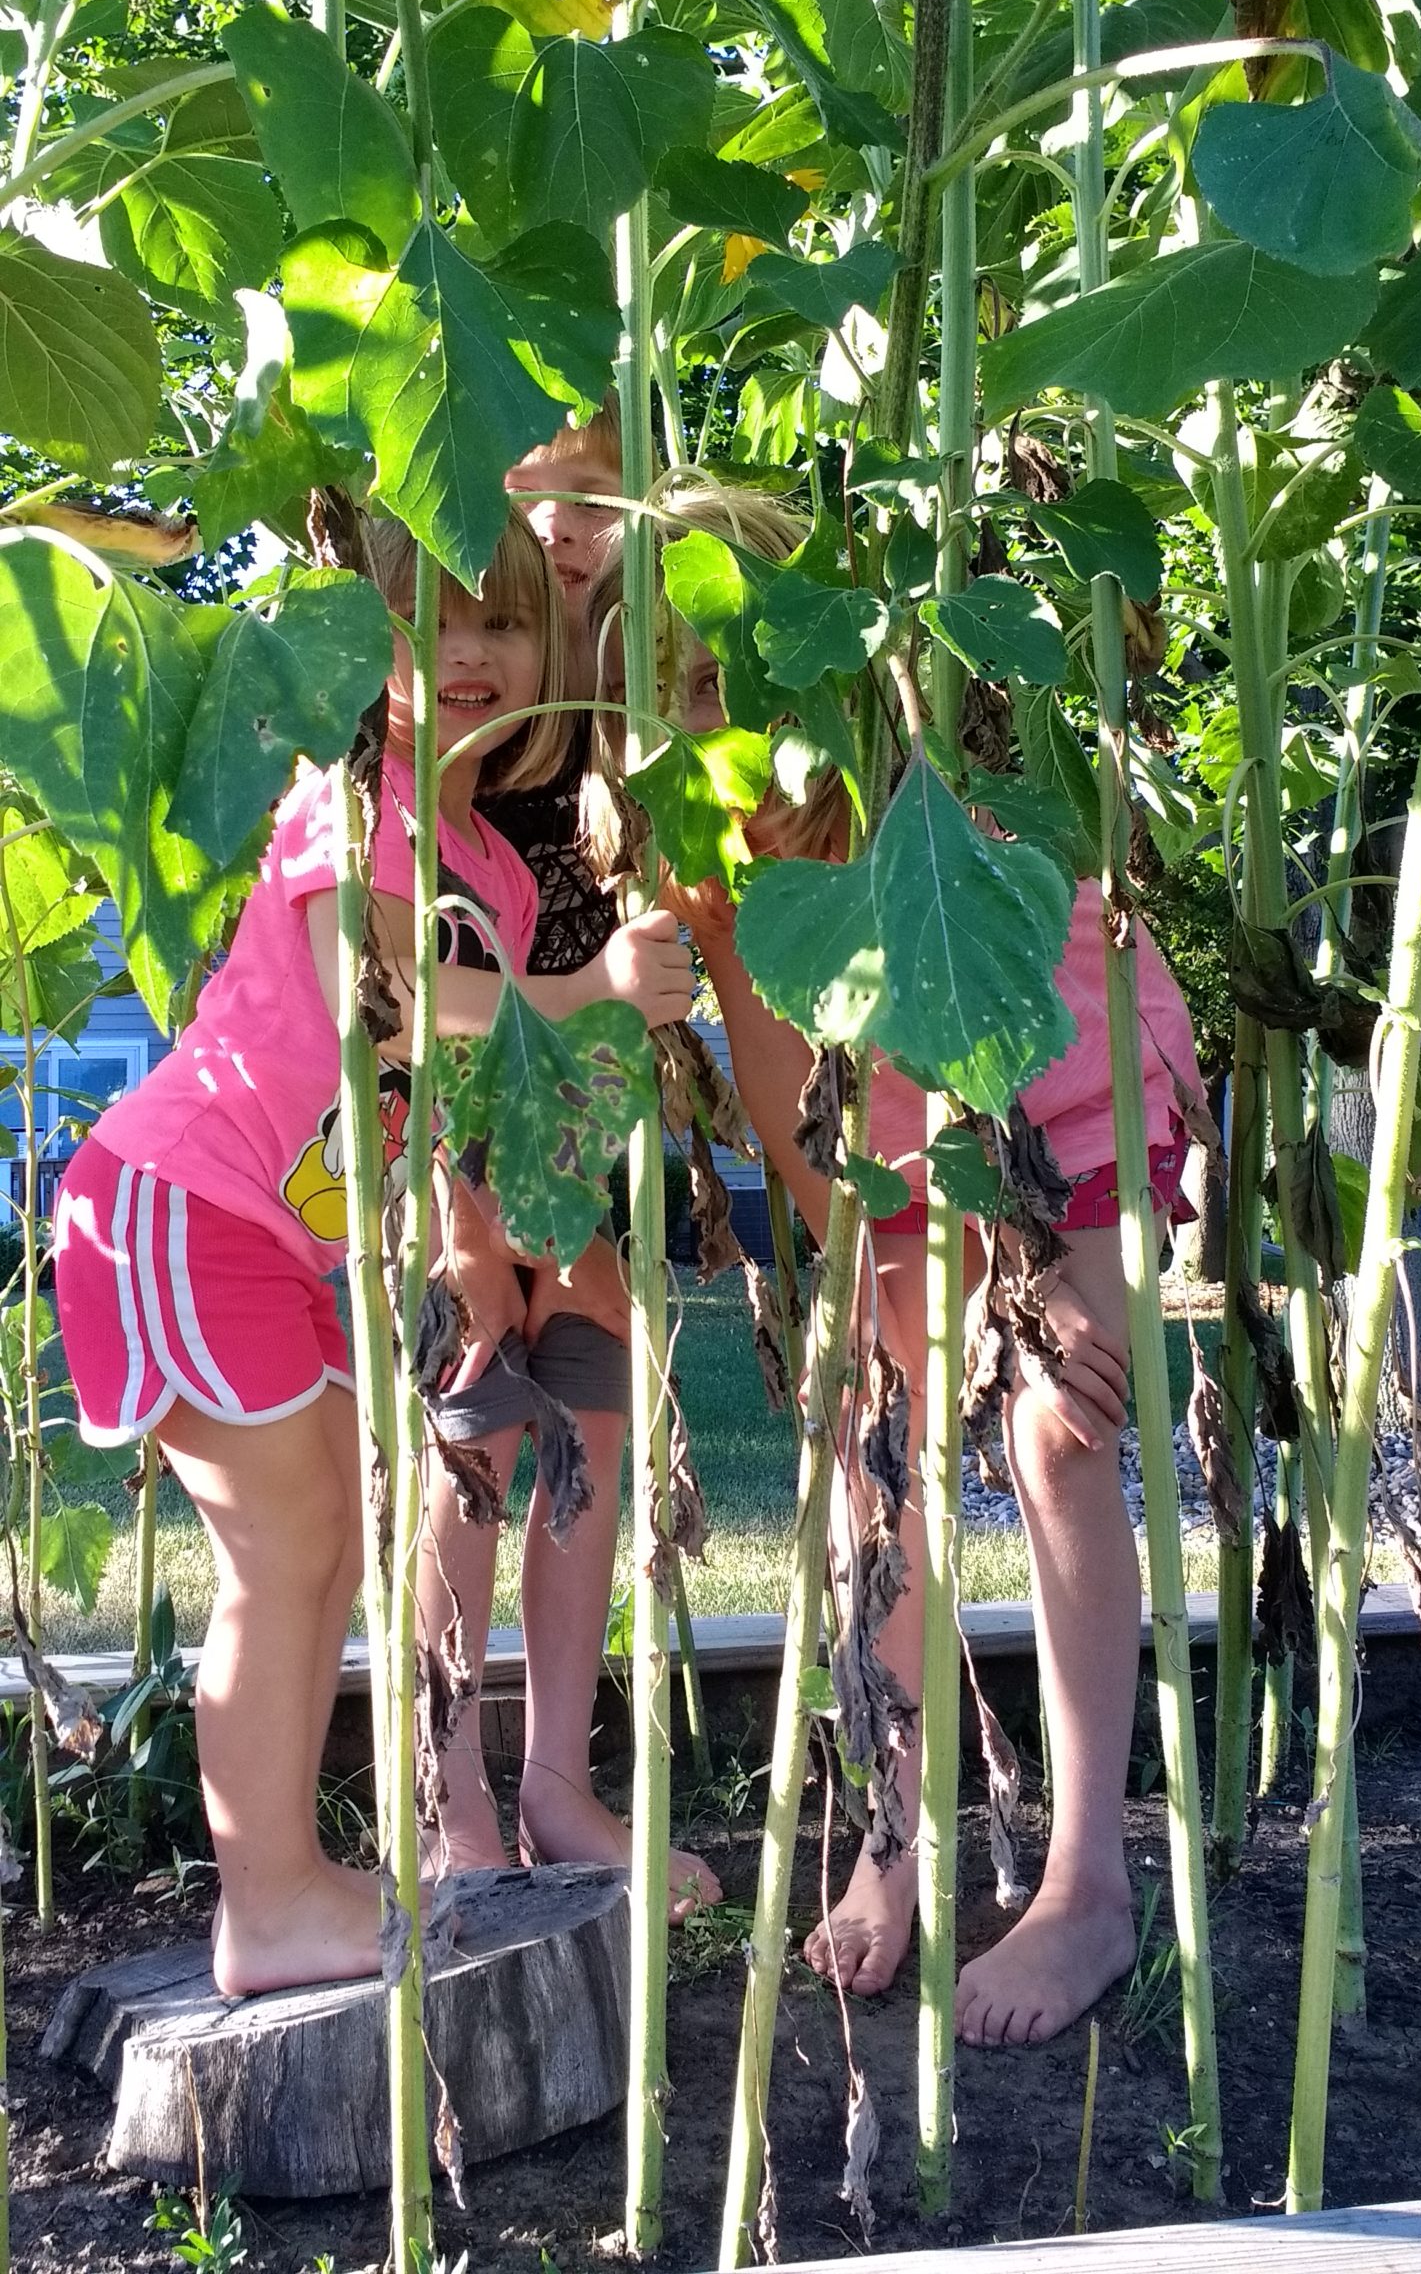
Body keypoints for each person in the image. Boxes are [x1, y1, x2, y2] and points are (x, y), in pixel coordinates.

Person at [588, 480, 1203, 2045]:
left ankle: (1086, 1887)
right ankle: (899, 1839)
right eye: (677, 692)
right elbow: (805, 1139)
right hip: (901, 1153)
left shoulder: (912, 788)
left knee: (1063, 1427)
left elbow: (999, 1039)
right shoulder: (714, 871)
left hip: (1076, 1095)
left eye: (735, 674)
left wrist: (1024, 1266)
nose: (716, 717)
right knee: (882, 1464)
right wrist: (881, 1316)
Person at [52, 509, 695, 1998]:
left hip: (291, 1242)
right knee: (285, 1560)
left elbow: (481, 1083)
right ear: (370, 644)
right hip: (186, 1206)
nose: (473, 651)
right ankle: (266, 1898)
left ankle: (286, 1884)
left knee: (331, 1549)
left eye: (508, 623)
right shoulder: (345, 802)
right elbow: (382, 1004)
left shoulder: (496, 864)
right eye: (437, 617)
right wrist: (589, 985)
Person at [419, 402, 721, 1916]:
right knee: (478, 1411)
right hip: (463, 1100)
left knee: (588, 1400)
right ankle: (447, 1784)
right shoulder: (468, 677)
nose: (578, 529)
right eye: (548, 495)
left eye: (607, 497)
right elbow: (409, 981)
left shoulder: (635, 678)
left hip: (590, 1096)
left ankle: (554, 1780)